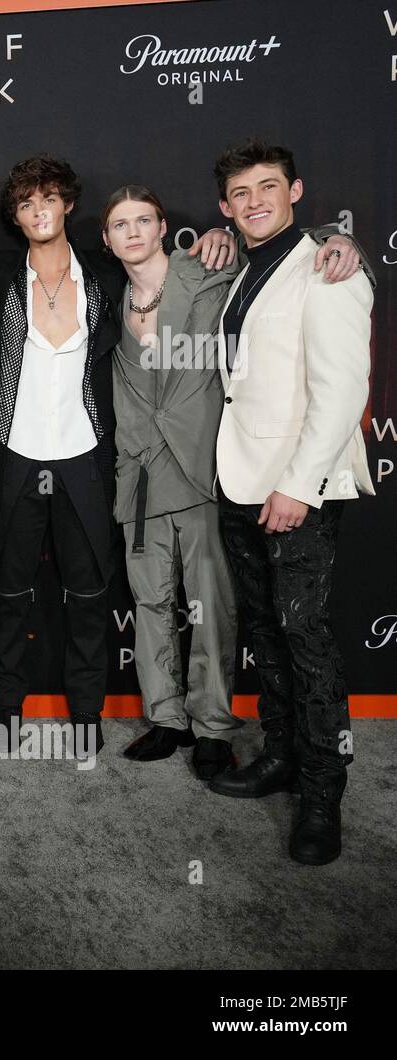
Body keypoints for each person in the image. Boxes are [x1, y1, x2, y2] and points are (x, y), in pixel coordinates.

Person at [0, 156, 238, 758]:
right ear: (14, 216)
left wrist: (224, 236)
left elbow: (201, 276)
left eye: (49, 199)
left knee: (90, 597)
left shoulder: (106, 275)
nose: (38, 211)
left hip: (88, 456)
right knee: (9, 595)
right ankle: (8, 714)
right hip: (13, 455)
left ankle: (86, 715)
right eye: (25, 203)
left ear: (68, 204)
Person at [102, 185, 363, 780]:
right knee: (149, 604)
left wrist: (338, 239)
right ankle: (165, 718)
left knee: (210, 608)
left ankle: (212, 724)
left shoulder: (210, 269)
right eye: (121, 224)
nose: (134, 232)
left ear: (164, 226)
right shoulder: (105, 294)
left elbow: (283, 257)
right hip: (137, 477)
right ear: (108, 238)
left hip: (200, 471)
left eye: (144, 220)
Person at [209, 139, 374, 865]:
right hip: (241, 482)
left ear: (296, 191)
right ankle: (279, 756)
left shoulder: (331, 267)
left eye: (267, 188)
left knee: (306, 641)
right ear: (224, 207)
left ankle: (321, 796)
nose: (254, 202)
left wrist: (298, 486)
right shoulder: (245, 265)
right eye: (240, 194)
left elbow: (342, 392)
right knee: (266, 633)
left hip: (297, 490)